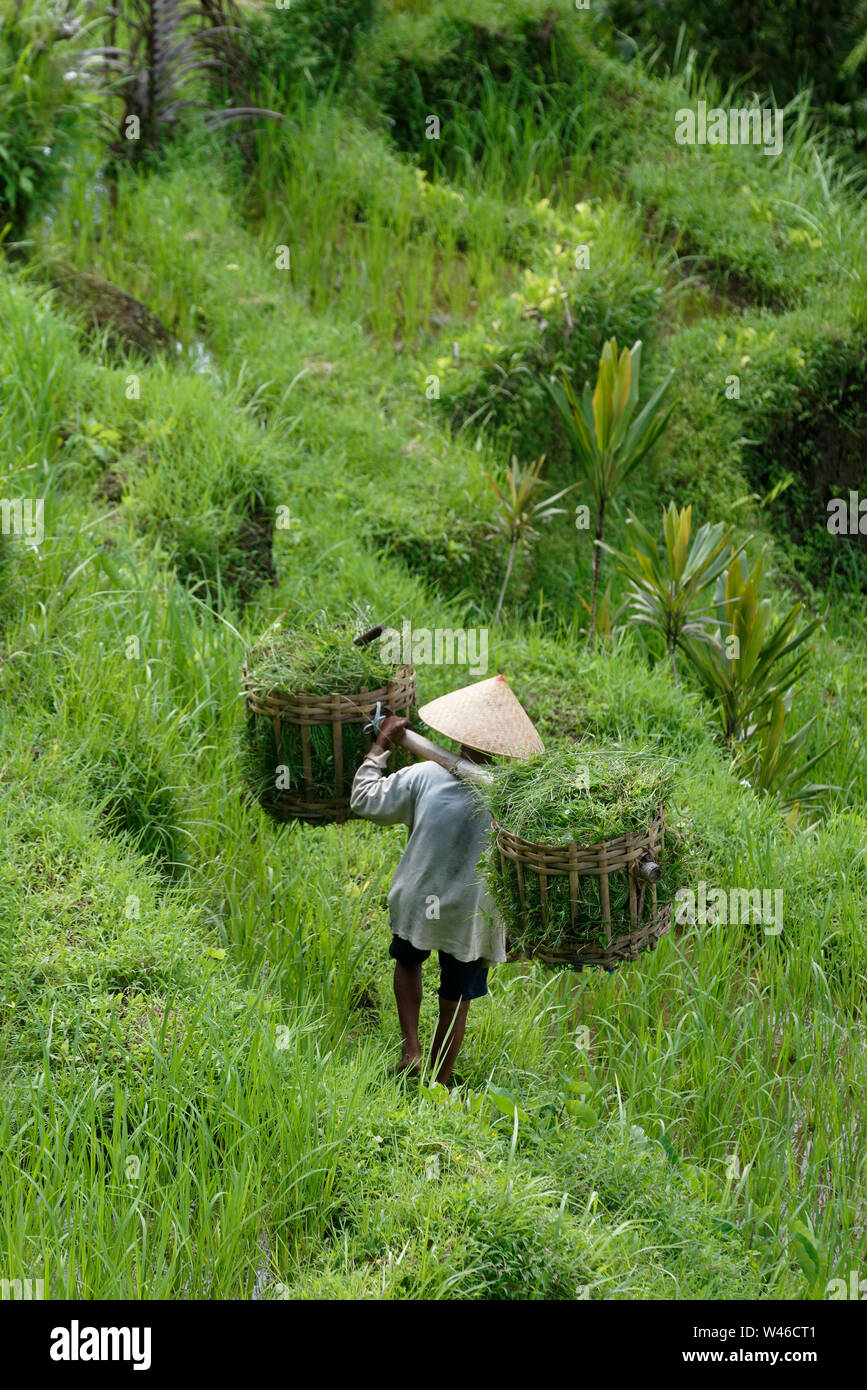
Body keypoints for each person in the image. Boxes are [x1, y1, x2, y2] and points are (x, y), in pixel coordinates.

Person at [349, 674, 543, 1085]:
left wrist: (380, 746)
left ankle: (411, 1050)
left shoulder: (425, 776)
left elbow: (364, 799)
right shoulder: (517, 800)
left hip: (421, 899)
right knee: (456, 995)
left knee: (408, 960)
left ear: (458, 734)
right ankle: (440, 1079)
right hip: (472, 913)